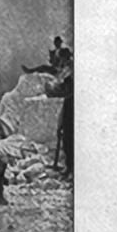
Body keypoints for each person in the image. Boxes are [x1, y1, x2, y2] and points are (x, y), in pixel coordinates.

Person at [45, 47, 74, 177]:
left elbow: (67, 90)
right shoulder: (67, 69)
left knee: (70, 138)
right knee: (67, 138)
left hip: (74, 104)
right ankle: (69, 167)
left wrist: (54, 90)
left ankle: (72, 168)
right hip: (69, 104)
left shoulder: (71, 69)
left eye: (59, 58)